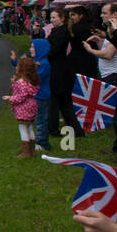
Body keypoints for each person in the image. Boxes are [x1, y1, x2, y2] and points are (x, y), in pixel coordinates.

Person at [83, 2, 117, 160]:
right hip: (112, 74)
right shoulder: (112, 31)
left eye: (104, 12)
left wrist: (91, 50)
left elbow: (108, 54)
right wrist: (100, 42)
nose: (101, 15)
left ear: (115, 15)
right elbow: (110, 49)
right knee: (116, 114)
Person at [46, 9, 85, 139]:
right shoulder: (58, 31)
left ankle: (53, 128)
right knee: (64, 102)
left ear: (62, 18)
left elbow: (52, 51)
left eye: (54, 18)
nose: (52, 20)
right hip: (60, 69)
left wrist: (44, 51)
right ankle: (74, 129)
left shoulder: (61, 32)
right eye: (51, 18)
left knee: (56, 101)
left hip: (59, 70)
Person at [3, 56, 40, 157]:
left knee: (22, 128)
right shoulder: (32, 82)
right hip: (32, 107)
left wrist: (9, 98)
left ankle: (25, 152)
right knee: (29, 127)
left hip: (23, 109)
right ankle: (32, 150)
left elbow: (19, 97)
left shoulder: (21, 83)